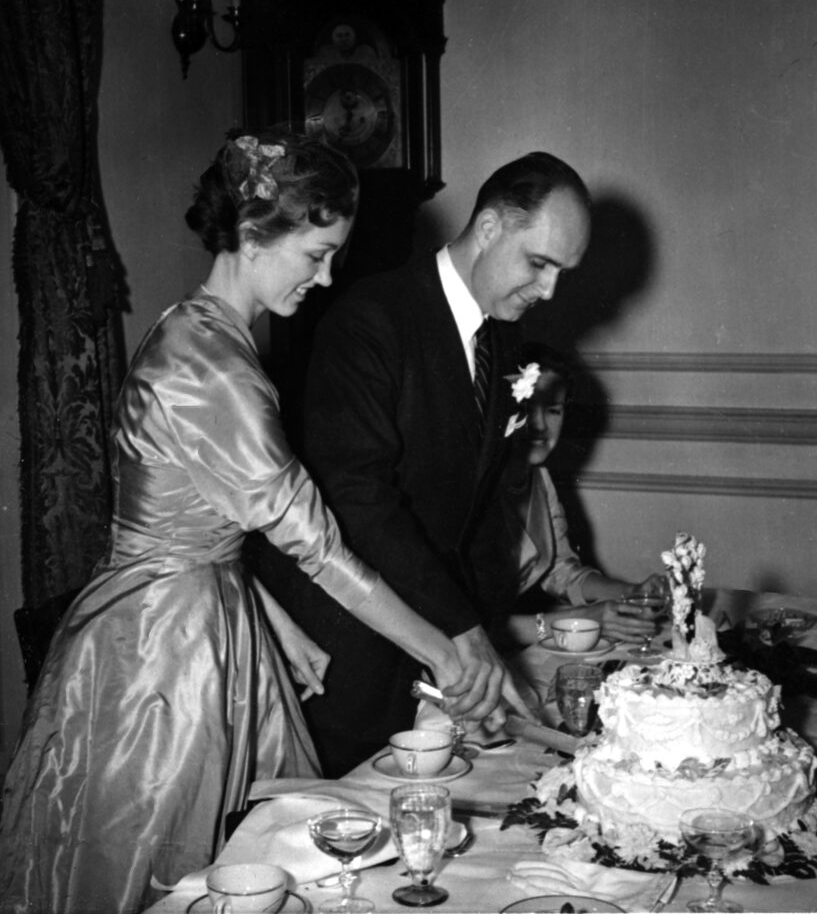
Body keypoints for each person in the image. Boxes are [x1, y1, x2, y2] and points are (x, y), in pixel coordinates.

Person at [0, 133, 502, 914]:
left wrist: (266, 620)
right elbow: (319, 549)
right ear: (252, 234)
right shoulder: (215, 369)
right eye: (315, 254)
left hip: (202, 615)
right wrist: (443, 652)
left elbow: (205, 515)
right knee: (172, 875)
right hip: (162, 654)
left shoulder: (199, 330)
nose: (327, 276)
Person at [255, 151, 592, 776]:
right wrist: (462, 633)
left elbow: (481, 506)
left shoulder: (502, 338)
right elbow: (359, 501)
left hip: (425, 650)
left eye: (560, 273)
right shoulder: (370, 319)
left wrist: (484, 643)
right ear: (489, 228)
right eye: (540, 264)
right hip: (341, 648)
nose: (549, 291)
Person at [499, 342, 666, 648]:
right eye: (526, 409)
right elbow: (472, 628)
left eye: (553, 410)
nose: (539, 425)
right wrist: (582, 619)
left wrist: (630, 594)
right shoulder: (472, 488)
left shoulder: (539, 478)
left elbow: (560, 571)